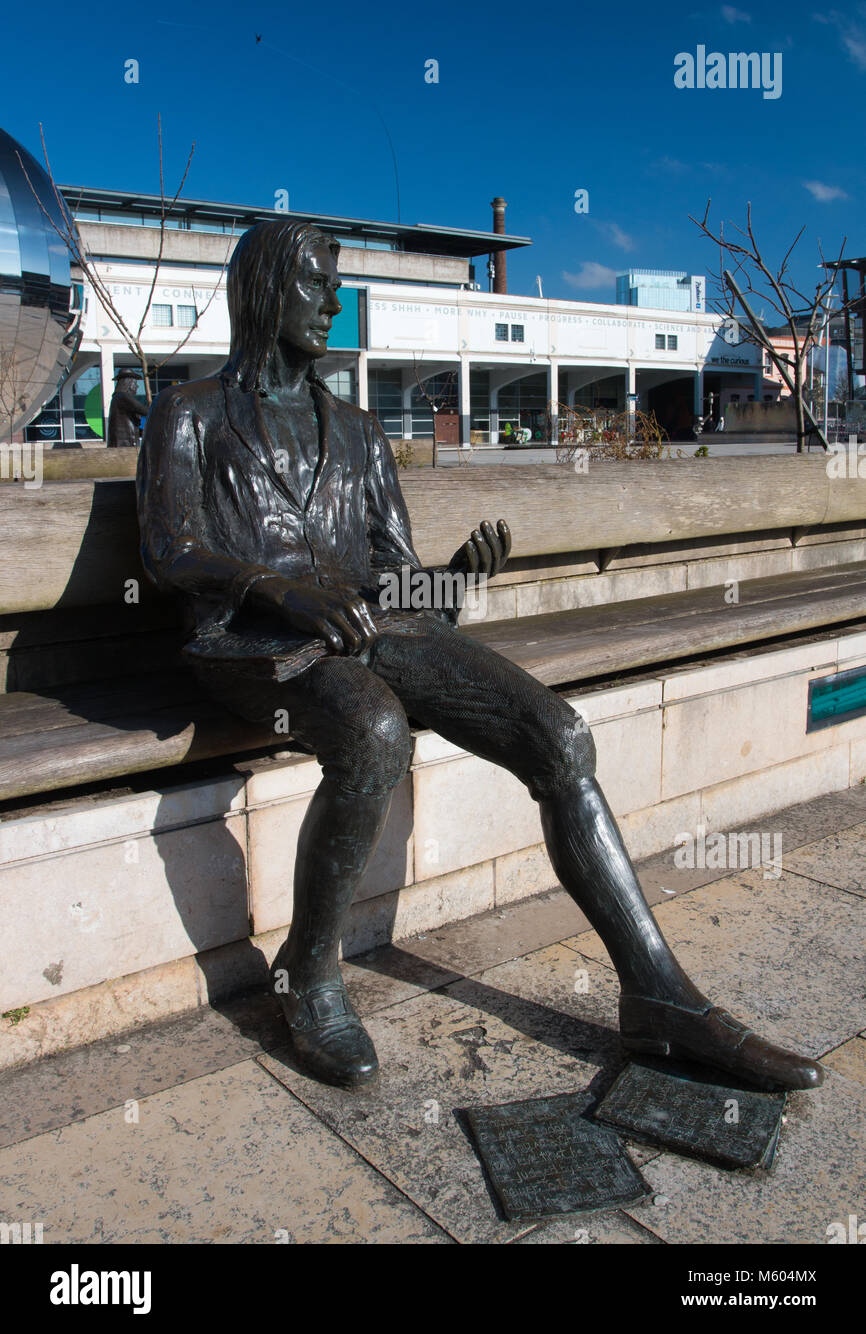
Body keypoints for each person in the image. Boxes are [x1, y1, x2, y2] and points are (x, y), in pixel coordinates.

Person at [137, 220, 824, 1093]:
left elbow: (392, 575)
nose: (334, 300)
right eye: (317, 284)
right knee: (376, 732)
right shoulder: (189, 413)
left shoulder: (353, 429)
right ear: (268, 291)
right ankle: (308, 975)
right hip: (250, 644)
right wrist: (280, 592)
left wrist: (450, 582)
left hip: (372, 630)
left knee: (561, 736)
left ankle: (660, 996)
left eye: (336, 283)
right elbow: (170, 549)